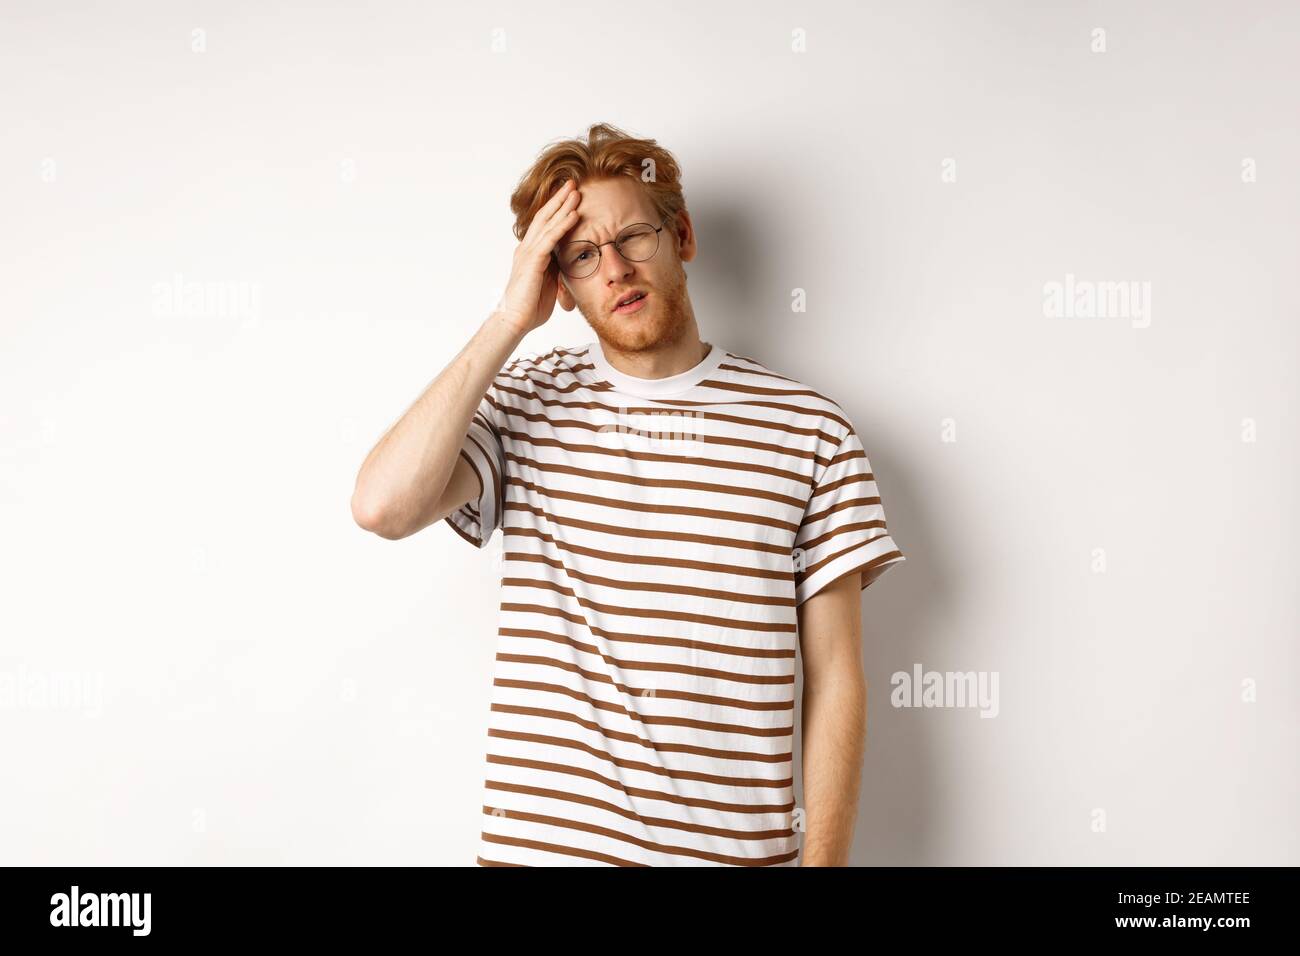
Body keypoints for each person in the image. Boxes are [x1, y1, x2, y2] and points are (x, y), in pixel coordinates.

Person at [351, 123, 906, 866]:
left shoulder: (810, 431)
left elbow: (837, 676)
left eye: (632, 238)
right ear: (564, 287)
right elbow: (381, 506)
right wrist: (509, 320)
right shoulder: (527, 401)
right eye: (582, 256)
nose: (613, 268)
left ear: (682, 236)